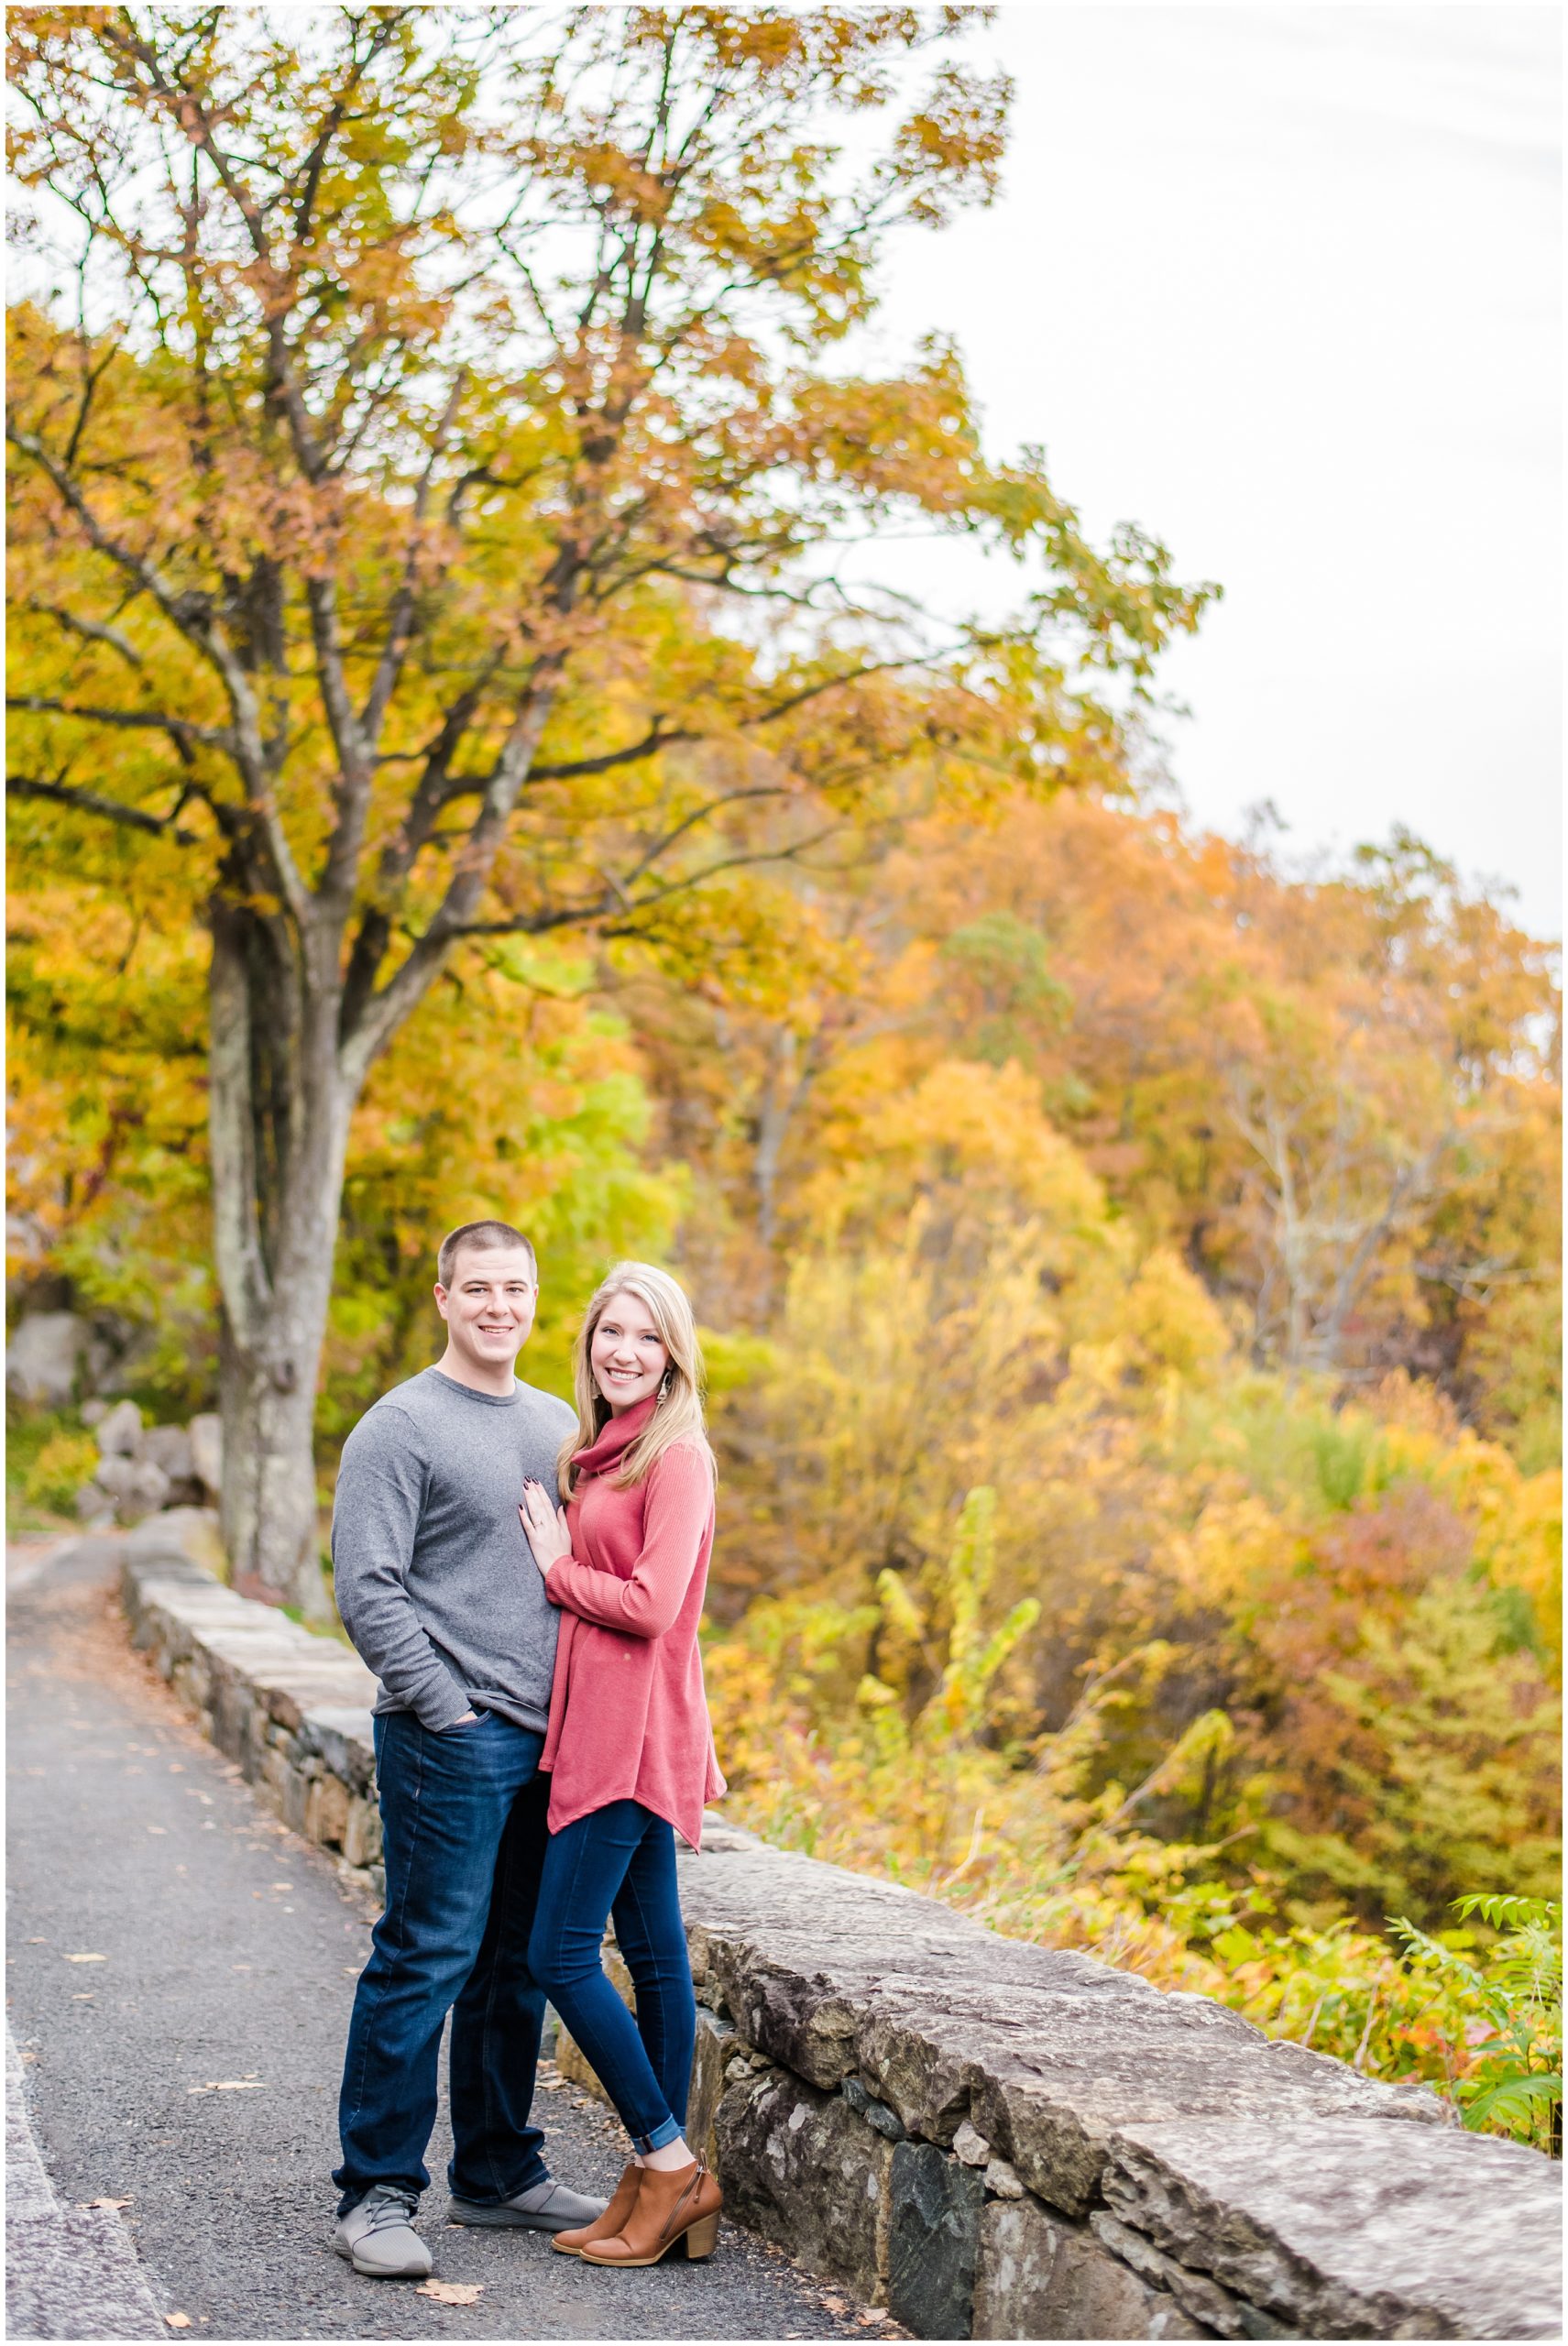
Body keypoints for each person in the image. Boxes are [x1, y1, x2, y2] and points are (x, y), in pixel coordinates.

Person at [328, 1220, 605, 2280]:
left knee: (513, 1965)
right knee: (427, 1954)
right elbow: (366, 1584)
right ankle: (376, 2193)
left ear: (538, 1299)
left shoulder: (553, 1422)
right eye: (477, 1287)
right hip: (452, 1738)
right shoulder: (401, 1426)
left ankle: (496, 2174)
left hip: (551, 1740)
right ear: (443, 1298)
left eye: (517, 1288)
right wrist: (446, 1707)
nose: (499, 1305)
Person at [517, 1262, 727, 2269]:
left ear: (671, 1352)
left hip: (633, 1731)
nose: (624, 1350)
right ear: (590, 1343)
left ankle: (669, 2159)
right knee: (650, 1953)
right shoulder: (601, 1455)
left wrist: (558, 1566)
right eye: (610, 1331)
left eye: (645, 1336)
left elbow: (651, 1604)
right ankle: (656, 2183)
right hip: (603, 1720)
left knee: (556, 1953)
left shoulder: (677, 1457)